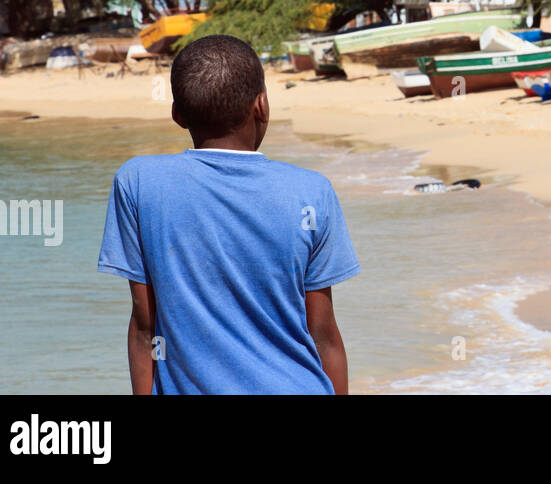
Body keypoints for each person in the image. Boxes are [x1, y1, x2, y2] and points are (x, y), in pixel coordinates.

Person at [97, 34, 359, 394]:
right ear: (262, 106)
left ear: (177, 114)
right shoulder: (311, 192)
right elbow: (324, 335)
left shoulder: (139, 183)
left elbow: (145, 328)